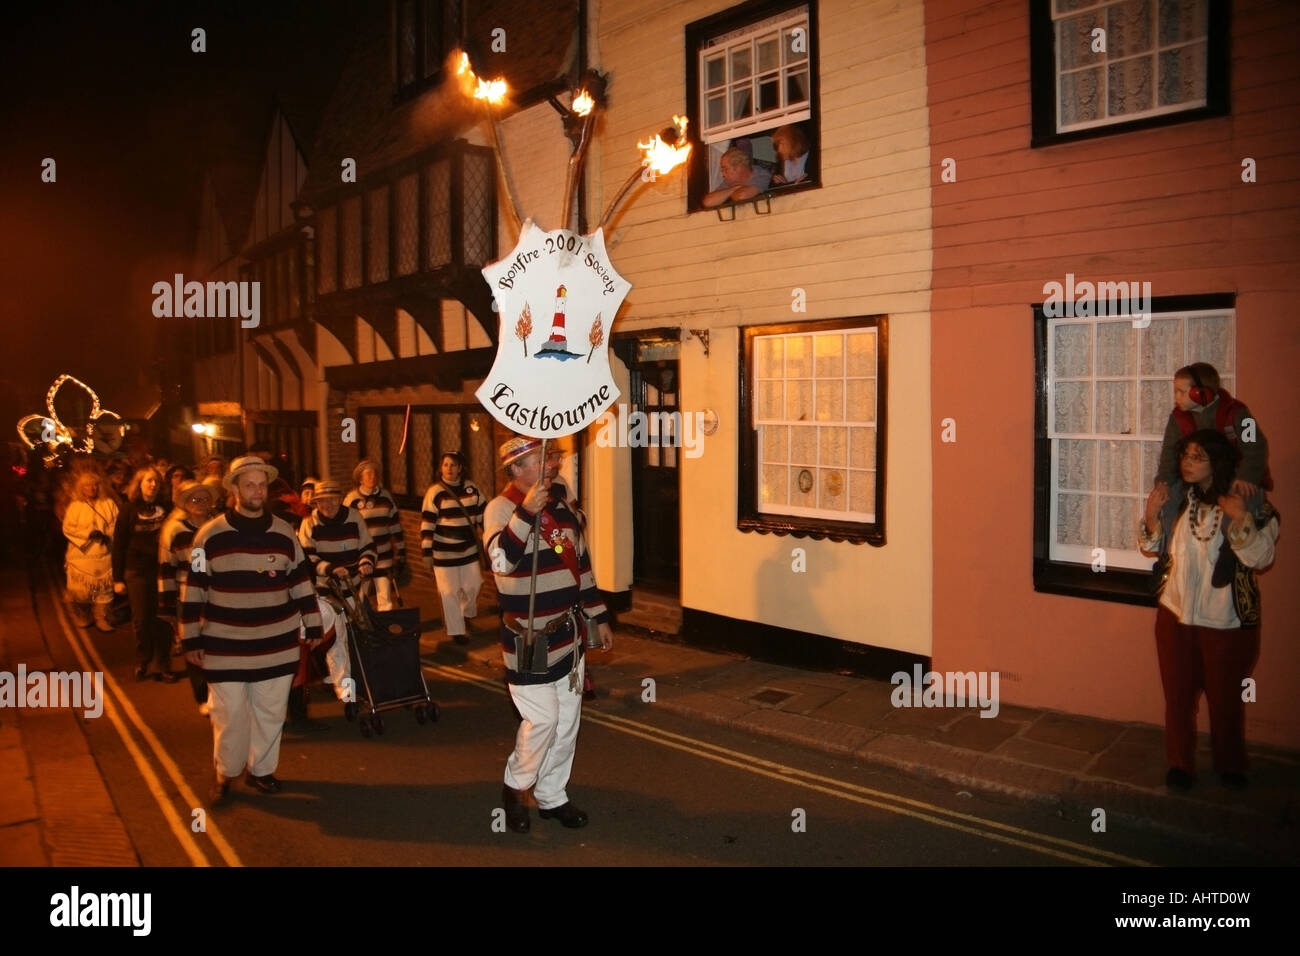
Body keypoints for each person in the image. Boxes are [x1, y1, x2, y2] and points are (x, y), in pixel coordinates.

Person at [484, 436, 613, 833]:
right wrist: (525, 513)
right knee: (542, 721)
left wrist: (599, 614)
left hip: (567, 636)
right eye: (543, 458)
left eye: (553, 456)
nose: (553, 464)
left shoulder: (562, 505)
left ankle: (553, 795)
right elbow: (501, 560)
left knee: (567, 723)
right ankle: (516, 786)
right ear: (517, 469)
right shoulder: (501, 508)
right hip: (529, 639)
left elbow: (582, 562)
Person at [1140, 429, 1279, 792]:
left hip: (1225, 621)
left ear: (1216, 462)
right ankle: (1180, 764)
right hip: (1175, 615)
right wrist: (1151, 515)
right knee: (1177, 697)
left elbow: (1261, 557)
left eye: (1197, 457)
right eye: (1185, 455)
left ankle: (1230, 764)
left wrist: (1240, 519)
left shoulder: (1248, 501)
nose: (1187, 463)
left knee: (1226, 698)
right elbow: (1155, 546)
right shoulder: (1177, 501)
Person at [180, 455, 324, 806]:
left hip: (276, 643)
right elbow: (194, 588)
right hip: (225, 645)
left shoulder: (284, 532)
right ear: (234, 489)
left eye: (262, 484)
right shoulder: (208, 536)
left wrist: (314, 622)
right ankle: (225, 773)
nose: (257, 491)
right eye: (250, 485)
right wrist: (190, 637)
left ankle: (261, 770)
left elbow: (301, 580)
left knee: (271, 713)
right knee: (229, 716)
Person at [295, 478, 373, 725]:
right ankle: (346, 691)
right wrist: (330, 569)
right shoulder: (309, 524)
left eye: (330, 500)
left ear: (340, 499)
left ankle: (353, 682)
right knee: (338, 638)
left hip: (353, 587)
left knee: (355, 637)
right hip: (326, 591)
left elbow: (367, 545)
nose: (326, 505)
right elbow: (308, 558)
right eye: (321, 501)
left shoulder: (353, 518)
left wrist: (366, 562)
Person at [1154, 363, 1271, 501]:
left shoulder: (1238, 412)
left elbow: (1255, 446)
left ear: (1201, 393)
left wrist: (1247, 476)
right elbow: (1169, 452)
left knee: (1243, 495)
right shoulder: (1177, 418)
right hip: (1197, 482)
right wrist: (1164, 482)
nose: (1177, 397)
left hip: (1234, 476)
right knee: (1168, 497)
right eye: (1175, 392)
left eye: (1182, 392)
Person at [158, 479, 219, 713]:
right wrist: (166, 606)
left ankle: (218, 692)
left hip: (216, 593)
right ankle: (202, 695)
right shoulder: (174, 530)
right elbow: (166, 567)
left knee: (216, 645)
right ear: (185, 504)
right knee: (194, 645)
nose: (201, 504)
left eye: (205, 499)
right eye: (195, 499)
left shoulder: (218, 525)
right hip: (187, 594)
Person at [113, 466, 173, 681]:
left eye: (156, 481)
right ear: (139, 484)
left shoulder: (167, 508)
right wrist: (117, 578)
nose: (153, 484)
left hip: (162, 571)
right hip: (136, 571)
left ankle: (164, 664)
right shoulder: (129, 510)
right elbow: (119, 544)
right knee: (141, 619)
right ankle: (143, 660)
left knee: (164, 619)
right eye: (148, 481)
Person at [420, 451, 486, 646]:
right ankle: (457, 631)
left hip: (469, 551)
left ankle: (465, 612)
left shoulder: (472, 489)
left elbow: (483, 514)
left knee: (474, 584)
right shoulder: (435, 493)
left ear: (461, 468)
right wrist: (426, 552)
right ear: (440, 468)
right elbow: (427, 524)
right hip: (443, 553)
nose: (449, 468)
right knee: (449, 592)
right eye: (446, 464)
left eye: (453, 465)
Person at [61, 466, 119, 632]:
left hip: (104, 554)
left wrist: (106, 535)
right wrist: (88, 534)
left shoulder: (108, 504)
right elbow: (68, 528)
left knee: (104, 590)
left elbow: (116, 524)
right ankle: (83, 616)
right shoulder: (75, 506)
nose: (91, 488)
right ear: (81, 488)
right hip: (82, 556)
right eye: (87, 485)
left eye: (94, 485)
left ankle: (102, 618)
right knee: (81, 591)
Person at [345, 459, 405, 610]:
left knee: (385, 596)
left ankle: (385, 627)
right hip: (361, 556)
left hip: (383, 555)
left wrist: (401, 551)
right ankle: (363, 626)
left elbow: (395, 526)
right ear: (360, 478)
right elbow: (346, 529)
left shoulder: (386, 497)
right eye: (368, 474)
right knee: (360, 596)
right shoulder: (351, 500)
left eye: (375, 473)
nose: (372, 477)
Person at [702, 144, 772, 208]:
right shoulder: (729, 182)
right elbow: (708, 202)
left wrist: (726, 194)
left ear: (739, 167)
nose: (723, 174)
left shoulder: (761, 175)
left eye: (725, 169)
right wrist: (735, 188)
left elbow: (741, 196)